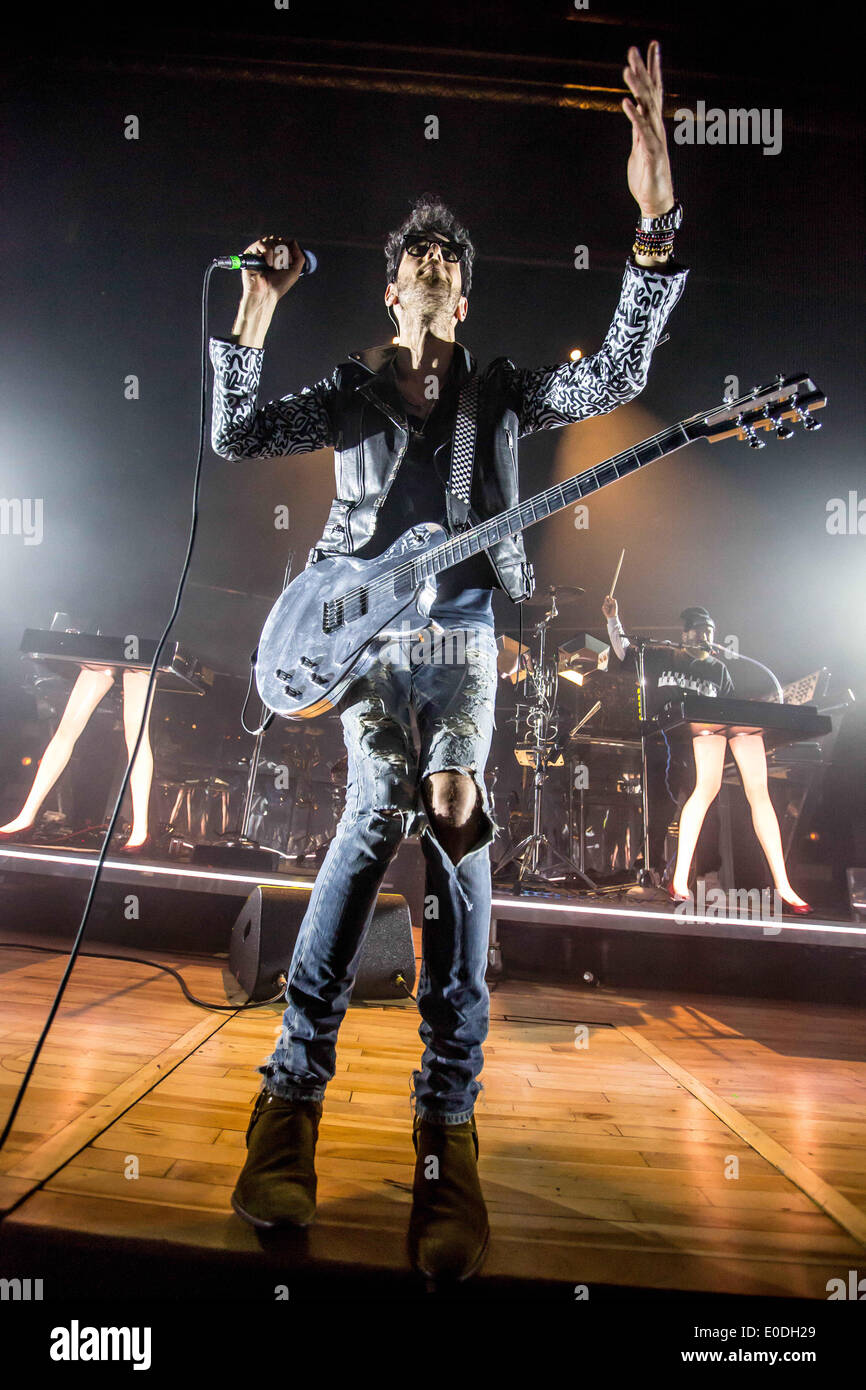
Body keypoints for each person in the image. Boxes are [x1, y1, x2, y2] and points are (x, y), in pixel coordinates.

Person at [211, 42, 688, 1280]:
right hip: (367, 643)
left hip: (465, 638)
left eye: (448, 262)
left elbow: (621, 373)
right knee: (372, 811)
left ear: (463, 298)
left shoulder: (502, 389)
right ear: (392, 295)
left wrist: (651, 221)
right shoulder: (351, 388)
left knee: (457, 809)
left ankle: (445, 1139)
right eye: (415, 258)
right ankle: (287, 1108)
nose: (431, 267)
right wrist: (254, 312)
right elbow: (234, 432)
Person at [604, 597, 811, 913]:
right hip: (664, 744)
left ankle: (707, 877)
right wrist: (613, 619)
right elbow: (624, 653)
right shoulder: (663, 656)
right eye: (699, 631)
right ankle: (654, 873)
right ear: (685, 634)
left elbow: (730, 710)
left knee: (709, 806)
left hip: (700, 743)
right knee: (659, 811)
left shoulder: (719, 670)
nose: (706, 636)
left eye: (710, 631)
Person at [0, 664, 156, 853]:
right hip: (110, 650)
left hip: (140, 653)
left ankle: (140, 830)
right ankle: (26, 816)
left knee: (136, 735)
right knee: (67, 729)